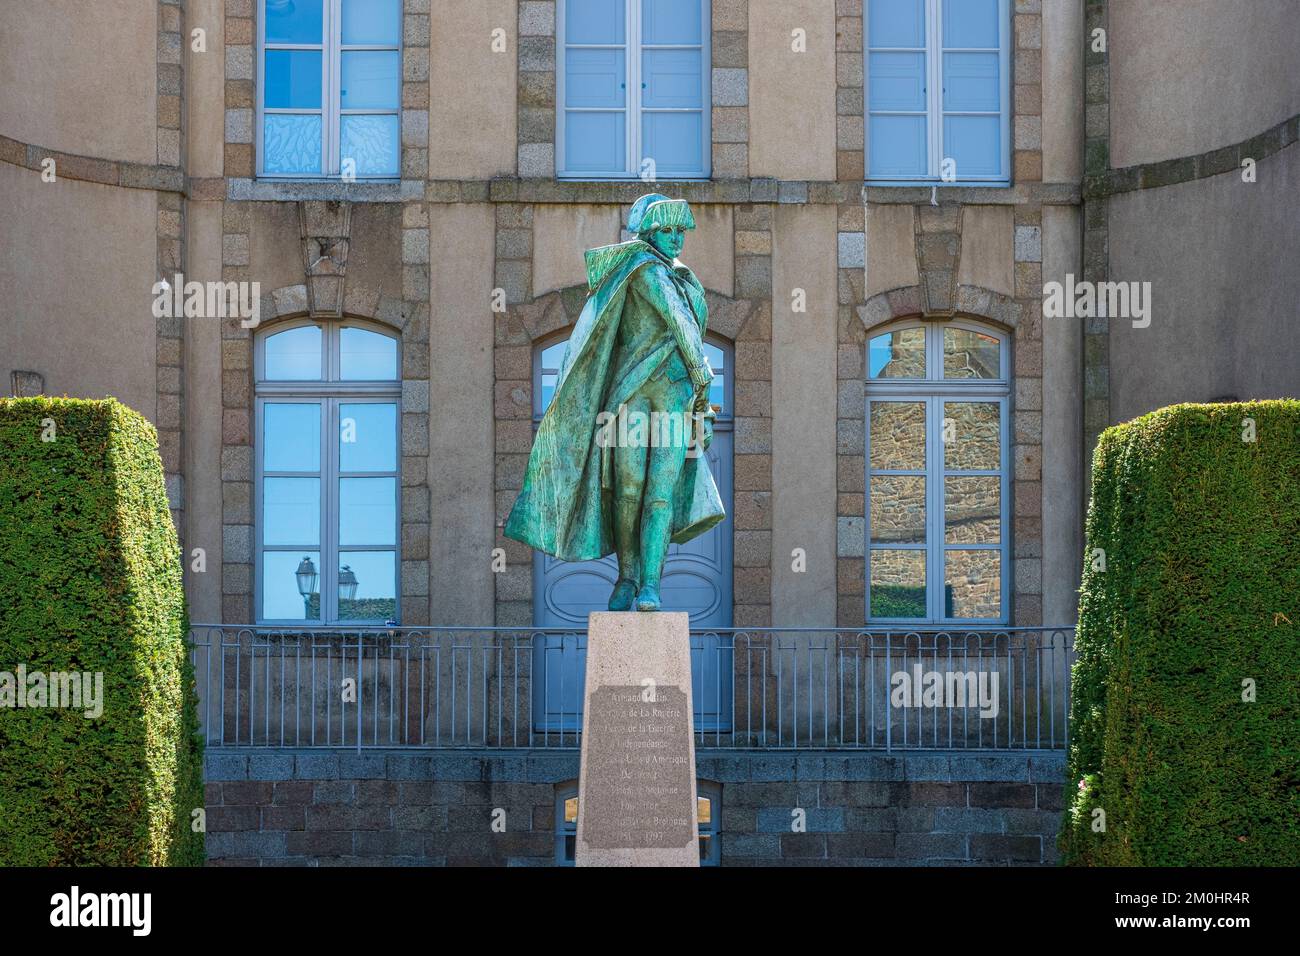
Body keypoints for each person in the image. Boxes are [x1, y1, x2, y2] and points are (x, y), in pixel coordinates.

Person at [504, 194, 725, 612]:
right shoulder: (645, 269)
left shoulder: (680, 277)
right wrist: (704, 383)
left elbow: (688, 331)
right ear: (648, 233)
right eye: (666, 230)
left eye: (680, 231)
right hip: (631, 392)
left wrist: (700, 406)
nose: (676, 239)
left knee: (660, 493)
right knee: (628, 489)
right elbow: (681, 323)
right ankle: (627, 576)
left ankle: (649, 584)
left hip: (674, 393)